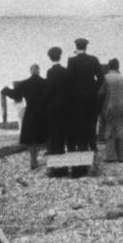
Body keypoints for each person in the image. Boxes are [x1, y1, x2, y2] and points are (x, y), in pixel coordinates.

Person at [1, 64, 47, 170]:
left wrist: (5, 89)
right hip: (43, 113)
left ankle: (33, 162)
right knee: (46, 136)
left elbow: (15, 95)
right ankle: (50, 160)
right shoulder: (45, 82)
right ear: (39, 71)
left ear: (30, 71)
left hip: (30, 112)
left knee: (31, 139)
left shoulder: (25, 83)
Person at [66, 37, 104, 155]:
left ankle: (82, 145)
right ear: (86, 47)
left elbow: (69, 80)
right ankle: (92, 145)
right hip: (91, 96)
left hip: (77, 97)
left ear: (76, 47)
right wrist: (94, 87)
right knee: (91, 121)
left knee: (79, 121)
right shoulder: (93, 59)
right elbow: (101, 78)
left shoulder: (71, 61)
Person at [98, 58, 123, 162]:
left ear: (109, 67)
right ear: (118, 66)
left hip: (109, 107)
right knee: (121, 130)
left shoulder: (105, 78)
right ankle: (121, 156)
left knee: (109, 130)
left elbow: (100, 94)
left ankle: (110, 156)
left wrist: (100, 108)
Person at [44, 46, 69, 176]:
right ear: (60, 56)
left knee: (54, 138)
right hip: (65, 108)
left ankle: (57, 168)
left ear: (50, 58)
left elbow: (48, 91)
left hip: (54, 109)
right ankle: (64, 166)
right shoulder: (65, 71)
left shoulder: (50, 72)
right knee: (63, 137)